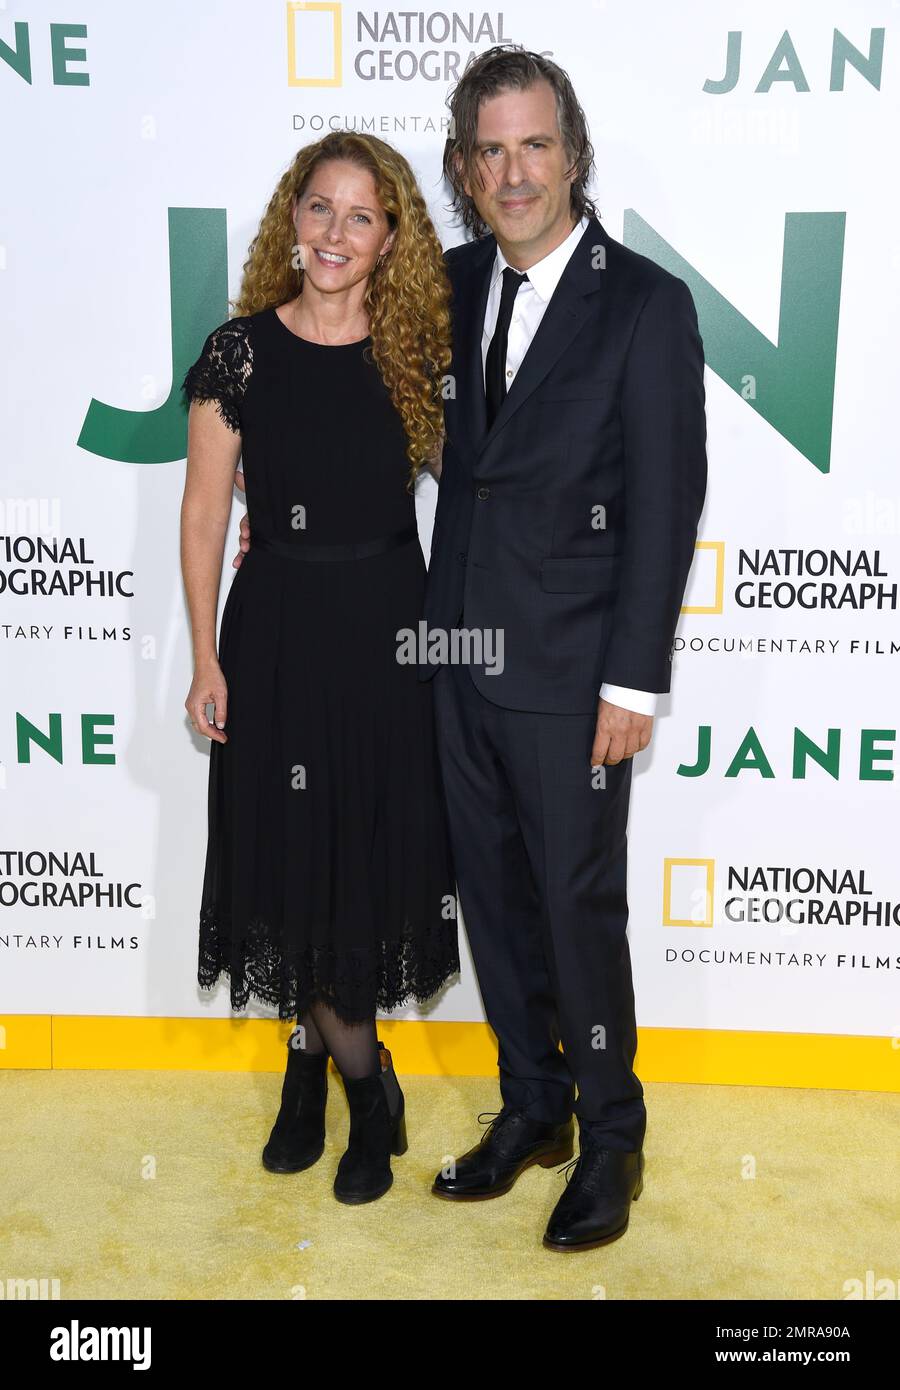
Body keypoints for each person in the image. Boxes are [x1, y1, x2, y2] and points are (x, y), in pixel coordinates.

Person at [233, 46, 708, 1250]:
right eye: (489, 150)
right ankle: (532, 1109)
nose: (513, 171)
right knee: (493, 911)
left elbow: (664, 503)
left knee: (577, 910)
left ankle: (612, 1137)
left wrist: (632, 681)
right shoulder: (439, 287)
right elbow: (342, 401)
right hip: (450, 661)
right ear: (460, 167)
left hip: (574, 681)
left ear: (572, 153)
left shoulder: (647, 305)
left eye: (534, 145)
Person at [180, 131, 459, 1205]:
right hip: (280, 630)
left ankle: (338, 1072)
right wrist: (206, 651)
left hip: (389, 632)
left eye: (361, 216)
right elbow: (206, 514)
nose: (335, 233)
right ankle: (345, 1075)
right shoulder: (238, 352)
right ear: (290, 219)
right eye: (319, 209)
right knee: (295, 852)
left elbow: (480, 491)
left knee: (360, 858)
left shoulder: (414, 358)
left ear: (391, 238)